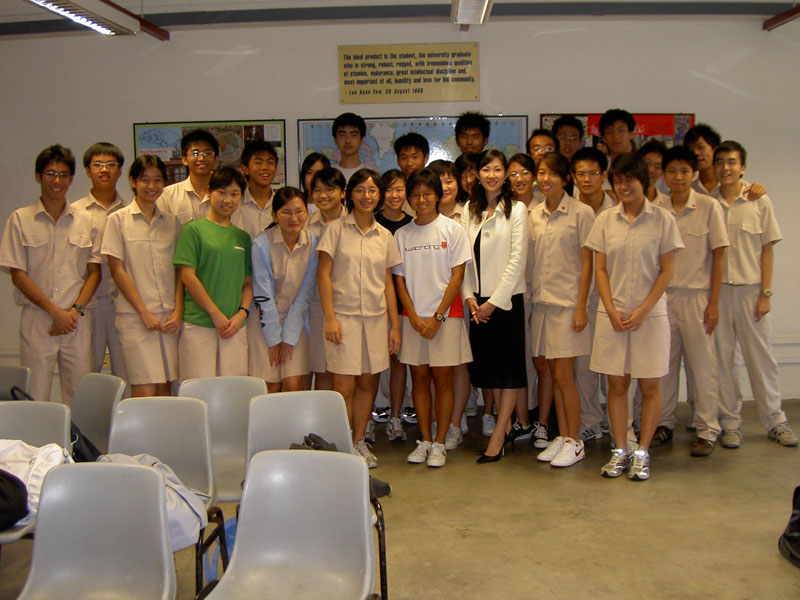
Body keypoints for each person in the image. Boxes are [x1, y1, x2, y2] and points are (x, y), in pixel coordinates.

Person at [585, 152, 683, 480]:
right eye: (619, 181)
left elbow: (667, 270)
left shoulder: (662, 219)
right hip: (611, 314)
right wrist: (611, 308)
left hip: (649, 316)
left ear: (645, 181)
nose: (624, 186)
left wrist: (643, 310)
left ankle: (642, 452)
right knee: (616, 384)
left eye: (630, 180)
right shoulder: (605, 220)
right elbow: (599, 269)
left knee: (651, 384)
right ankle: (619, 450)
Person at [0, 144, 101, 405]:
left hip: (77, 320)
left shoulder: (86, 220)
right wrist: (54, 312)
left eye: (63, 174)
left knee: (79, 397)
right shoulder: (20, 219)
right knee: (35, 395)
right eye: (50, 173)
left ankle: (74, 437)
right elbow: (18, 274)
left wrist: (74, 311)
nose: (57, 181)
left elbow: (94, 273)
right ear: (38, 176)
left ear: (71, 178)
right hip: (37, 318)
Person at [712, 141, 797, 448]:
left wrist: (765, 294)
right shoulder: (708, 203)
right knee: (723, 362)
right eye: (720, 162)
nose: (725, 168)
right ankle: (730, 424)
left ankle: (775, 421)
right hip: (719, 294)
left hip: (751, 292)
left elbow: (767, 250)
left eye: (731, 162)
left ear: (742, 167)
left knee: (762, 360)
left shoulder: (759, 201)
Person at [317, 168, 402, 468]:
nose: (366, 196)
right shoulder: (335, 230)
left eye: (372, 191)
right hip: (344, 319)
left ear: (379, 196)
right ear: (350, 194)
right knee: (344, 387)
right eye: (360, 190)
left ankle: (358, 441)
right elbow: (324, 276)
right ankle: (343, 444)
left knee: (368, 383)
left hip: (376, 320)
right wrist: (330, 318)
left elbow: (388, 282)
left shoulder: (385, 235)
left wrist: (395, 326)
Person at [394, 168, 472, 467]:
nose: (421, 199)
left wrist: (438, 316)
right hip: (413, 319)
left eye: (427, 194)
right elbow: (399, 280)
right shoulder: (402, 234)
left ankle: (440, 442)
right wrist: (413, 316)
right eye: (415, 195)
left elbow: (457, 276)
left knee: (443, 381)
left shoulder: (453, 230)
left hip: (446, 318)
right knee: (419, 380)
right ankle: (425, 440)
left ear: (437, 196)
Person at [652, 145, 728, 456]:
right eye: (672, 171)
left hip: (697, 298)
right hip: (663, 298)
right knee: (664, 366)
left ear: (694, 174)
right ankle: (663, 423)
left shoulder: (709, 207)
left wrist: (714, 302)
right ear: (664, 175)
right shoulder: (656, 208)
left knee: (703, 367)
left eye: (684, 171)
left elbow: (719, 255)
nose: (678, 177)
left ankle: (707, 429)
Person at [461, 148, 528, 462]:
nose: (492, 175)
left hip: (506, 303)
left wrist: (493, 303)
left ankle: (499, 436)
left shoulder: (517, 209)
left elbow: (517, 260)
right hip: (478, 303)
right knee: (491, 372)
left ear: (506, 175)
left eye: (498, 169)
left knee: (508, 373)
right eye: (486, 169)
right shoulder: (470, 209)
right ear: (478, 174)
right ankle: (505, 428)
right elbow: (462, 258)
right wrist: (470, 297)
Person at [528, 153, 595, 467]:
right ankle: (564, 436)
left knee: (566, 376)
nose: (546, 179)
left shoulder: (582, 213)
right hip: (542, 305)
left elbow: (588, 265)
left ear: (566, 179)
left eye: (553, 174)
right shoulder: (534, 214)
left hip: (568, 306)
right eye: (542, 173)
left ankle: (575, 440)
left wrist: (581, 307)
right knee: (553, 375)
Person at [101, 155, 182, 397]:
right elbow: (117, 270)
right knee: (144, 388)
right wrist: (143, 312)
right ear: (133, 181)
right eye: (145, 179)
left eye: (157, 180)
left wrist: (178, 310)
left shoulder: (172, 223)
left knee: (166, 387)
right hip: (136, 318)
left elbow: (180, 270)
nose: (151, 186)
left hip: (168, 317)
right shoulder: (117, 220)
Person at [173, 167, 253, 380]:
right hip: (200, 324)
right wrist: (215, 313)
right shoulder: (193, 230)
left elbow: (247, 282)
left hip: (234, 327)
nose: (228, 200)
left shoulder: (243, 237)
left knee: (233, 389)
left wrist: (242, 313)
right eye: (222, 192)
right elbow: (187, 276)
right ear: (209, 192)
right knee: (197, 388)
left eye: (234, 194)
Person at [251, 187, 318, 393]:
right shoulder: (261, 244)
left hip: (295, 318)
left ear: (307, 213)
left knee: (293, 384)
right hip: (263, 321)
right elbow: (263, 295)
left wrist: (287, 339)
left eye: (299, 211)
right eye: (286, 212)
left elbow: (305, 294)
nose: (293, 218)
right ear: (275, 215)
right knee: (269, 384)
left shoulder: (313, 242)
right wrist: (274, 340)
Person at [427, 160, 474, 447]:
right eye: (438, 181)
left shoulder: (468, 215)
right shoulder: (420, 216)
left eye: (449, 181)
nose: (444, 187)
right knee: (435, 368)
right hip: (428, 304)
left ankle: (456, 421)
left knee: (457, 366)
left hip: (461, 301)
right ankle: (438, 420)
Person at [571, 147, 616, 441]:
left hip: (613, 297)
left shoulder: (618, 209)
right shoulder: (570, 209)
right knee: (583, 366)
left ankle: (618, 422)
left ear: (604, 176)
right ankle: (589, 421)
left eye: (592, 173)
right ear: (573, 177)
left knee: (614, 365)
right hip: (579, 298)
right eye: (581, 174)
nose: (586, 179)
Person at [73, 142, 127, 380]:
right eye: (98, 164)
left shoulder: (130, 211)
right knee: (86, 374)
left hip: (124, 305)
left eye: (111, 164)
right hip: (89, 306)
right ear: (88, 170)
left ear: (120, 170)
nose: (104, 170)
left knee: (126, 374)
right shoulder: (75, 212)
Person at [233, 141, 281, 385]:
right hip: (241, 296)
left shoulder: (284, 203)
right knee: (247, 370)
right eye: (258, 162)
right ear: (245, 168)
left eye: (270, 162)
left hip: (278, 296)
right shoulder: (234, 204)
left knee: (275, 370)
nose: (265, 168)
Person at [376, 169, 413, 443]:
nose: (394, 195)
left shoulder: (412, 224)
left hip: (404, 305)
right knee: (370, 365)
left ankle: (395, 416)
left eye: (399, 189)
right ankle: (365, 419)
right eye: (388, 189)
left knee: (398, 361)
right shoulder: (372, 222)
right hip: (373, 306)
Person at [306, 167, 348, 391]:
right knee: (320, 369)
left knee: (344, 372)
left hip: (347, 307)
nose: (323, 195)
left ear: (343, 193)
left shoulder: (353, 222)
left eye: (330, 189)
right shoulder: (306, 225)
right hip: (314, 306)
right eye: (317, 190)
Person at [506, 152, 538, 443]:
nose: (519, 179)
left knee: (536, 361)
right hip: (512, 295)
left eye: (524, 173)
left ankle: (532, 417)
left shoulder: (542, 208)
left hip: (538, 294)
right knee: (518, 360)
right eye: (513, 173)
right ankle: (521, 419)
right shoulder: (503, 208)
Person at [159, 129, 219, 225]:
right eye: (195, 153)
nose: (201, 158)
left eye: (208, 153)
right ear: (184, 160)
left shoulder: (225, 195)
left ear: (216, 160)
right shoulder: (167, 196)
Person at [331, 112, 367, 182]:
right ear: (335, 139)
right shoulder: (328, 174)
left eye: (353, 135)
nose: (348, 140)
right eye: (342, 135)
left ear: (362, 139)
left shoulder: (371, 175)